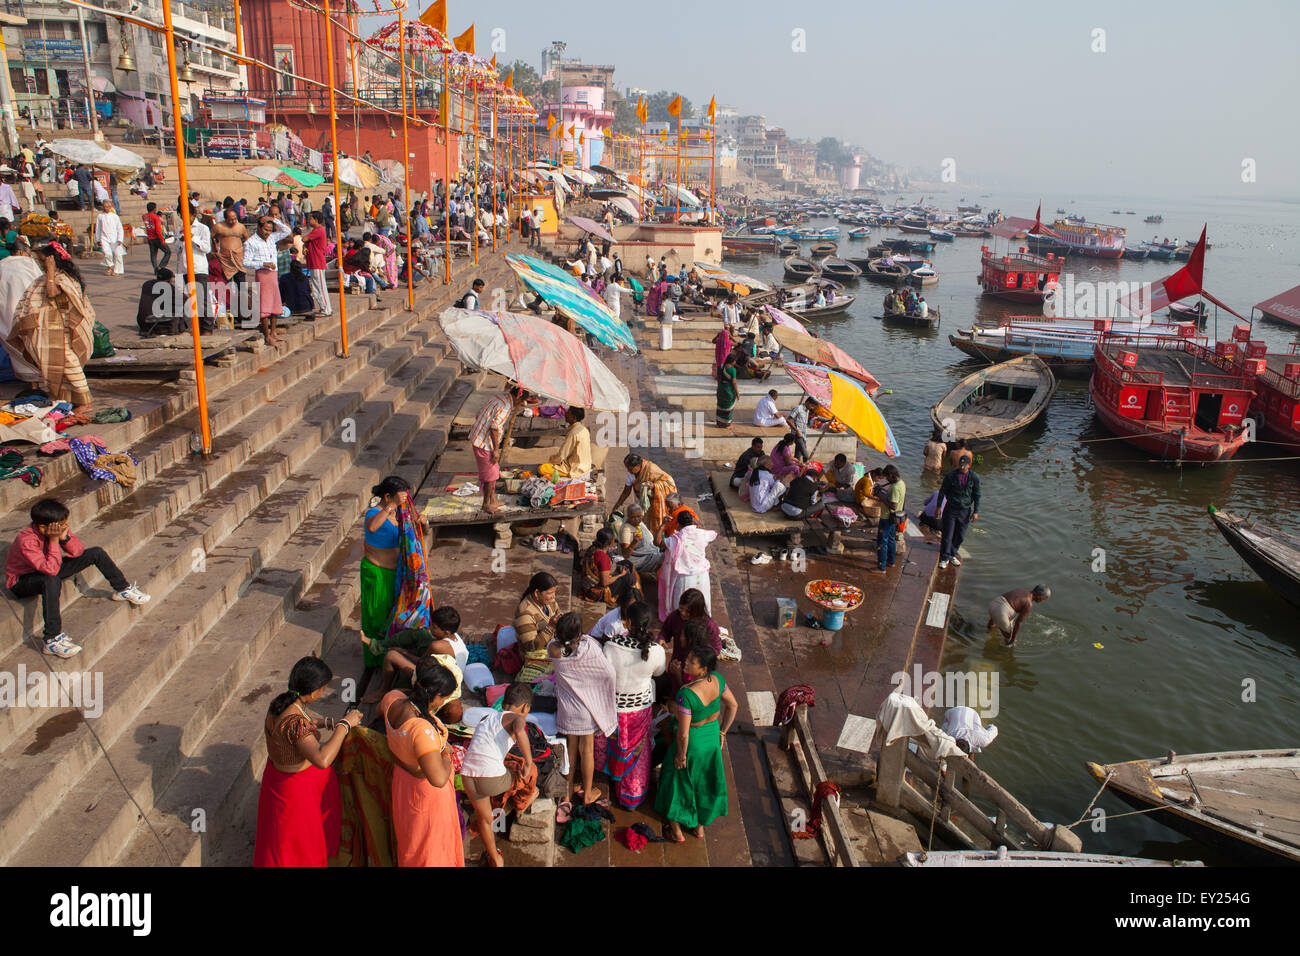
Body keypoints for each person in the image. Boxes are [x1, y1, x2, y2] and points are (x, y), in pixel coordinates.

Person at [5, 497, 150, 659]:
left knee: (95, 552)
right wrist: (54, 541)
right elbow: (51, 571)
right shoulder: (27, 540)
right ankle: (51, 639)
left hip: (47, 568)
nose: (64, 527)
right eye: (62, 525)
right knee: (51, 580)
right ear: (43, 527)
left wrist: (64, 537)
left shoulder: (55, 528)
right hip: (22, 581)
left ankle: (122, 588)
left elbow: (77, 551)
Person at [253, 657, 361, 866]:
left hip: (278, 782)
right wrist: (345, 725)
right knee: (298, 848)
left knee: (279, 843)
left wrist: (327, 723)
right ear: (313, 692)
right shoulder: (296, 724)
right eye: (323, 689)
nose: (323, 693)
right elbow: (322, 759)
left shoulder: (281, 704)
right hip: (295, 794)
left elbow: (298, 726)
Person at [380, 659, 464, 867]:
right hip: (426, 798)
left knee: (412, 843)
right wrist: (446, 753)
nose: (443, 703)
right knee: (430, 850)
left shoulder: (392, 699)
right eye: (444, 698)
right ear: (434, 696)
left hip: (403, 786)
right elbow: (437, 778)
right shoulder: (421, 730)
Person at [655, 644, 737, 842]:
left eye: (692, 662)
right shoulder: (718, 680)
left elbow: (683, 734)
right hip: (711, 740)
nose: (686, 662)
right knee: (704, 783)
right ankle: (699, 828)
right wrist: (723, 732)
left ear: (703, 669)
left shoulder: (686, 695)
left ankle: (676, 831)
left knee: (674, 783)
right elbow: (733, 706)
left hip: (691, 744)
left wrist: (680, 756)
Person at [8, 242, 95, 412]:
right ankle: (63, 399)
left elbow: (52, 293)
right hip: (46, 331)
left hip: (60, 332)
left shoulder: (62, 277)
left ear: (52, 261)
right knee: (49, 367)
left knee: (69, 365)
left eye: (43, 261)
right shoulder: (48, 277)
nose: (40, 264)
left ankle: (85, 403)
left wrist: (49, 271)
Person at [596, 602, 665, 810]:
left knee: (614, 744)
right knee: (637, 750)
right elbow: (660, 673)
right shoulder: (656, 651)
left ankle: (611, 776)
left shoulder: (611, 646)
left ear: (627, 622)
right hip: (639, 710)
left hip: (614, 708)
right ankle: (630, 794)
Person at [460, 682, 534, 867]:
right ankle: (523, 803)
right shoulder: (516, 718)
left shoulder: (487, 718)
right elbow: (518, 726)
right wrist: (529, 761)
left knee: (485, 819)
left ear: (502, 704)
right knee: (530, 771)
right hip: (491, 780)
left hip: (467, 776)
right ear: (525, 708)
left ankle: (495, 859)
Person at [548, 611, 617, 808]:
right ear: (579, 634)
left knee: (570, 751)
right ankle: (587, 793)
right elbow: (609, 673)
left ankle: (566, 795)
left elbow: (557, 643)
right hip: (586, 711)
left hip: (567, 710)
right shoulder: (590, 648)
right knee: (587, 752)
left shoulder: (554, 649)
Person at [359, 476, 412, 674]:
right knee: (376, 616)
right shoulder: (374, 513)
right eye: (400, 497)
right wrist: (390, 506)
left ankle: (389, 654)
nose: (404, 501)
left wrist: (423, 524)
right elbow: (372, 527)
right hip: (377, 573)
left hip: (395, 573)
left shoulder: (400, 513)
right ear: (388, 496)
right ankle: (375, 660)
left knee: (392, 614)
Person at [470, 385, 524, 515]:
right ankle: (486, 504)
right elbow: (494, 427)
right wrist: (496, 450)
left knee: (494, 471)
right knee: (491, 475)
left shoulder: (500, 396)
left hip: (479, 436)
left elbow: (480, 413)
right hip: (483, 442)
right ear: (519, 397)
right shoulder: (505, 407)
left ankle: (492, 499)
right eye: (522, 401)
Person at [242, 214, 292, 346]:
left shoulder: (272, 238)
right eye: (265, 230)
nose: (267, 233)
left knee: (275, 304)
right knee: (264, 306)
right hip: (262, 274)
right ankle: (267, 335)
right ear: (258, 227)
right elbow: (246, 262)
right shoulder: (250, 242)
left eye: (270, 230)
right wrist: (263, 264)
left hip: (273, 274)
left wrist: (273, 219)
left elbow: (287, 231)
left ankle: (273, 332)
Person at [658, 513, 717, 622]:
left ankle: (681, 629)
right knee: (701, 606)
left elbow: (657, 542)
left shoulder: (675, 539)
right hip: (702, 577)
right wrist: (697, 523)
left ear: (678, 525)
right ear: (692, 522)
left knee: (682, 609)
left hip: (684, 579)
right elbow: (713, 534)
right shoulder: (702, 534)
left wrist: (663, 526)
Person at [0, 236, 43, 384]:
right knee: (32, 342)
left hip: (6, 311)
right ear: (21, 252)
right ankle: (36, 380)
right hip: (26, 309)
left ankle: (28, 377)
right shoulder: (29, 263)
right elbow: (40, 282)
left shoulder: (1, 264)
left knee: (12, 341)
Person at [609, 454, 677, 538]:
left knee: (659, 522)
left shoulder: (651, 468)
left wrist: (655, 486)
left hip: (658, 501)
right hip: (644, 502)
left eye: (630, 468)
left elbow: (669, 481)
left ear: (637, 466)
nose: (628, 471)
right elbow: (626, 491)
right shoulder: (630, 475)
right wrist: (616, 507)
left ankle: (660, 538)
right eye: (627, 468)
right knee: (645, 523)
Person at [514, 571, 560, 681]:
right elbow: (531, 646)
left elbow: (558, 614)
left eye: (554, 592)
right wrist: (551, 627)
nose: (553, 596)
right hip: (534, 654)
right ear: (536, 593)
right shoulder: (525, 612)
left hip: (550, 646)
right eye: (550, 593)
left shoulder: (550, 602)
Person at [579, 527, 640, 607]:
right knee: (631, 578)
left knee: (627, 563)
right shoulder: (603, 557)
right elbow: (605, 582)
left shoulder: (592, 548)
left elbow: (600, 567)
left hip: (590, 583)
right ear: (610, 542)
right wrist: (620, 575)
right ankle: (624, 598)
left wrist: (618, 567)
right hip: (596, 591)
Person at [938, 456, 980, 570]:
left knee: (960, 535)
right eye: (960, 464)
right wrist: (938, 507)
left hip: (965, 510)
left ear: (969, 465)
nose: (962, 467)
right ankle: (944, 557)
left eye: (964, 465)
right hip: (951, 509)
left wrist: (976, 511)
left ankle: (952, 553)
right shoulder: (951, 476)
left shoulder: (974, 478)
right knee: (948, 534)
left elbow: (977, 495)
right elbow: (942, 491)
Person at [212, 207, 250, 327]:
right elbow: (211, 237)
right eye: (230, 219)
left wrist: (246, 251)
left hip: (238, 258)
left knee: (242, 287)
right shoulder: (219, 226)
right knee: (225, 288)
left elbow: (246, 238)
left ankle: (244, 312)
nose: (233, 221)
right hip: (225, 259)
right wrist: (214, 249)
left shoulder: (240, 226)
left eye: (235, 219)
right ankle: (227, 313)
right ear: (225, 218)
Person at [871, 464, 906, 575]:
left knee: (882, 541)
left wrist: (881, 498)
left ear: (891, 475)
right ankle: (891, 562)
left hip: (887, 517)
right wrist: (884, 490)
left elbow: (893, 505)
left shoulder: (895, 487)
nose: (886, 479)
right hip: (895, 517)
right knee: (891, 539)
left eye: (887, 477)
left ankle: (881, 567)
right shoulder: (901, 483)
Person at [539, 406, 591, 480]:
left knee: (542, 468)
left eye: (568, 413)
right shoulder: (584, 429)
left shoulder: (573, 433)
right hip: (585, 467)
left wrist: (551, 461)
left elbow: (562, 455)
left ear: (574, 417)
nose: (565, 414)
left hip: (576, 470)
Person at [617, 503, 663, 575]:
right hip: (636, 560)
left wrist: (662, 526)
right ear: (628, 517)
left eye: (639, 516)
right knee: (665, 557)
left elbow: (651, 540)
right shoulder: (626, 529)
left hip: (647, 554)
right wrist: (634, 542)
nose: (637, 519)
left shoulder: (640, 524)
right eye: (633, 517)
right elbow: (625, 555)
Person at [93, 200, 125, 276]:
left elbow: (120, 228)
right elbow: (98, 228)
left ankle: (117, 270)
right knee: (107, 253)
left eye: (107, 207)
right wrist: (98, 239)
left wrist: (120, 239)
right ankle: (110, 265)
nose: (106, 208)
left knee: (117, 254)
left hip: (115, 238)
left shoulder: (115, 217)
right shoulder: (100, 216)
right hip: (104, 238)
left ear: (110, 207)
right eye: (104, 207)